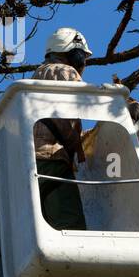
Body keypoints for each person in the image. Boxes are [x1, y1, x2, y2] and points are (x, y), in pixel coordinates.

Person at [32, 28, 91, 231]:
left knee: (47, 227)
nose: (84, 62)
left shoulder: (37, 75)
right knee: (70, 226)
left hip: (31, 163)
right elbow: (85, 104)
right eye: (82, 55)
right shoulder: (65, 71)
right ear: (73, 52)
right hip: (52, 159)